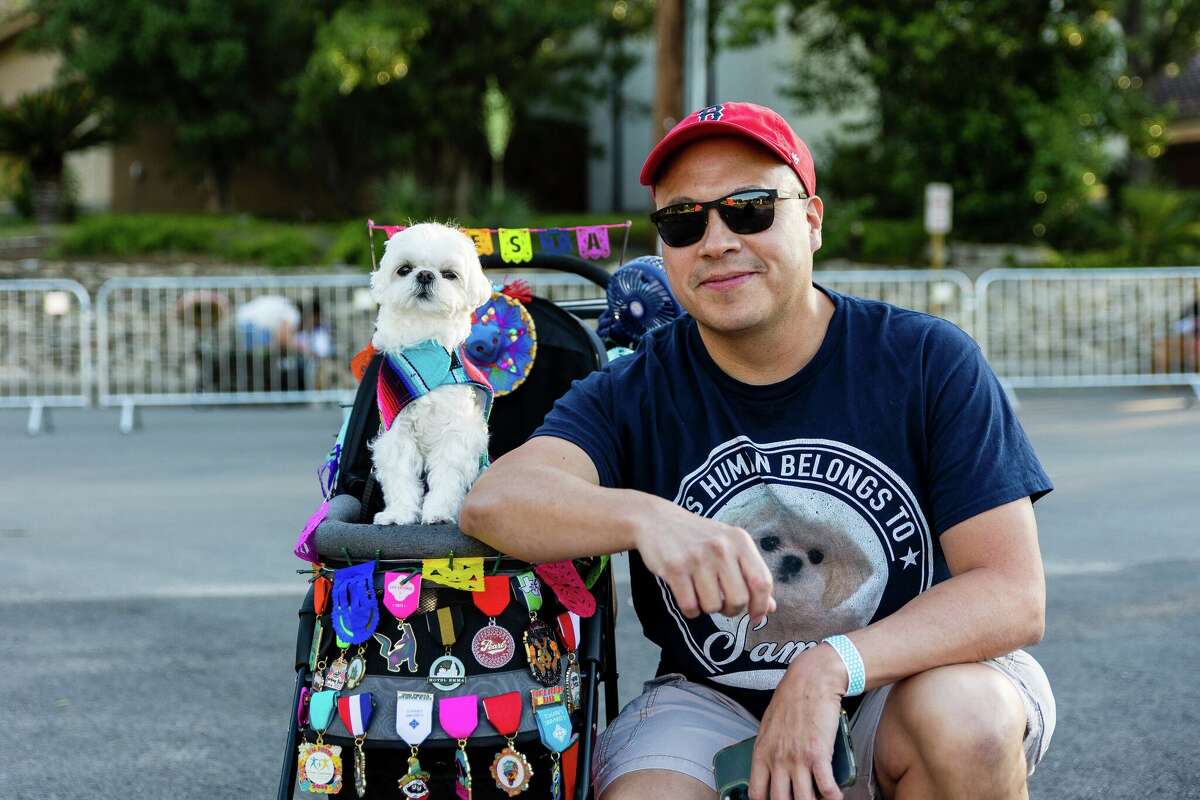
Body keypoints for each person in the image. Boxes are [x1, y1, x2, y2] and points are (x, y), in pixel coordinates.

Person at [460, 101, 1055, 800]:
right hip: (713, 698)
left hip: (902, 680)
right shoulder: (635, 388)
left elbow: (1013, 596)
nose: (715, 240)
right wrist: (650, 519)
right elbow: (496, 500)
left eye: (749, 208)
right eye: (683, 221)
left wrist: (830, 666)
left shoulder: (926, 359)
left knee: (969, 722)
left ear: (812, 219)